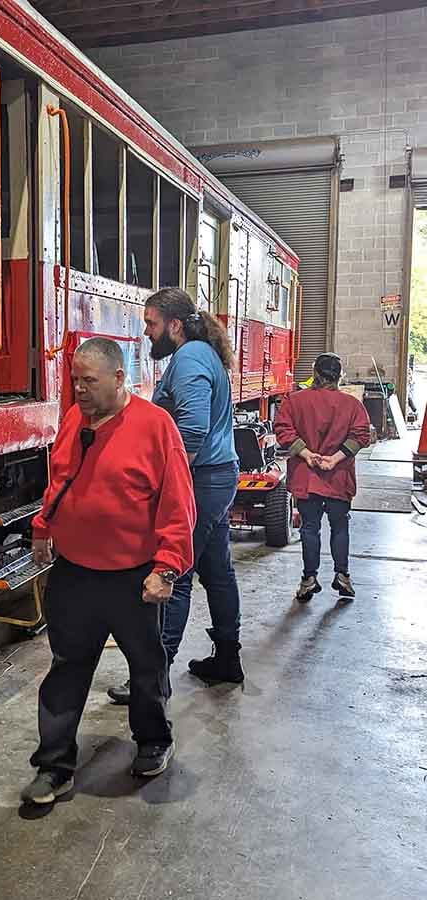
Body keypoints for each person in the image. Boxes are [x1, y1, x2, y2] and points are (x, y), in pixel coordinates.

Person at [21, 338, 195, 805]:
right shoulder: (74, 420)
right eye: (75, 380)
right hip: (75, 572)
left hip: (133, 577)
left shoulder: (155, 426)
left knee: (146, 665)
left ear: (120, 378)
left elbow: (178, 504)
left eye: (89, 381)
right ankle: (54, 766)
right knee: (66, 668)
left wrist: (167, 568)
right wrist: (43, 528)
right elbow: (60, 479)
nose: (79, 389)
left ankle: (154, 740)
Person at [108, 287, 244, 702]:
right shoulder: (201, 355)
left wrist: (168, 480)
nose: (146, 332)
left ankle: (154, 677)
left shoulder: (189, 359)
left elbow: (193, 429)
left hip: (201, 481)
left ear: (175, 325)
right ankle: (227, 659)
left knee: (174, 573)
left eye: (151, 324)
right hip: (217, 477)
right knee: (217, 571)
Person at [274, 352, 371, 603]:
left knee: (310, 528)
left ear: (315, 373)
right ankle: (342, 576)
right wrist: (335, 459)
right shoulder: (352, 405)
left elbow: (283, 430)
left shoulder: (295, 401)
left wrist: (307, 455)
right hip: (338, 476)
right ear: (340, 375)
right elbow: (361, 435)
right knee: (340, 525)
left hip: (307, 476)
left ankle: (308, 580)